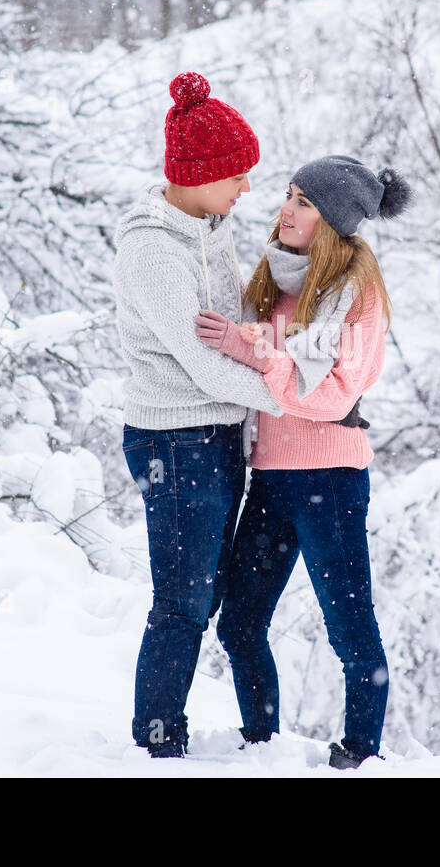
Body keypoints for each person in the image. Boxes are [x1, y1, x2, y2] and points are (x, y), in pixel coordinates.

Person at [113, 73, 360, 758]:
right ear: (202, 176)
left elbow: (241, 324)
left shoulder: (208, 226)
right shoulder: (154, 249)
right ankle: (158, 739)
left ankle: (203, 734)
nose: (249, 190)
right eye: (239, 176)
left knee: (210, 595)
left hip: (218, 433)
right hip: (175, 435)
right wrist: (295, 394)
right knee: (184, 600)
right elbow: (202, 362)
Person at [194, 154, 411, 769]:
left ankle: (361, 754)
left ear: (334, 221)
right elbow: (252, 363)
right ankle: (262, 747)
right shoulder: (273, 280)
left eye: (304, 203)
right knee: (238, 625)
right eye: (288, 196)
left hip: (331, 480)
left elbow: (334, 393)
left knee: (349, 629)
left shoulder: (356, 296)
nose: (285, 210)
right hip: (270, 477)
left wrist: (255, 351)